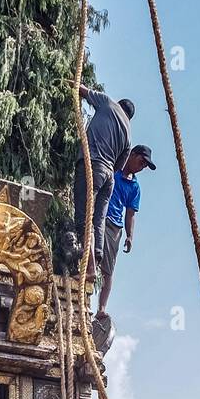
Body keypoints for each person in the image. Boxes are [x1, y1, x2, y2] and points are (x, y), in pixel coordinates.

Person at [74, 86, 135, 280]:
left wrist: (66, 82)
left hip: (93, 165)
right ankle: (97, 255)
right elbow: (120, 165)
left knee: (84, 217)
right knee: (99, 219)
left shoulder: (108, 103)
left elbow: (81, 90)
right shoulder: (128, 133)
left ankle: (90, 267)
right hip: (109, 176)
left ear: (119, 104)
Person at [98, 145, 156, 316]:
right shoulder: (114, 166)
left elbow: (130, 214)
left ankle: (101, 308)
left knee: (107, 270)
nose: (142, 166)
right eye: (141, 161)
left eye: (145, 165)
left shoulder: (134, 187)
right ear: (132, 155)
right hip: (98, 216)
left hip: (114, 226)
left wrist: (130, 236)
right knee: (87, 255)